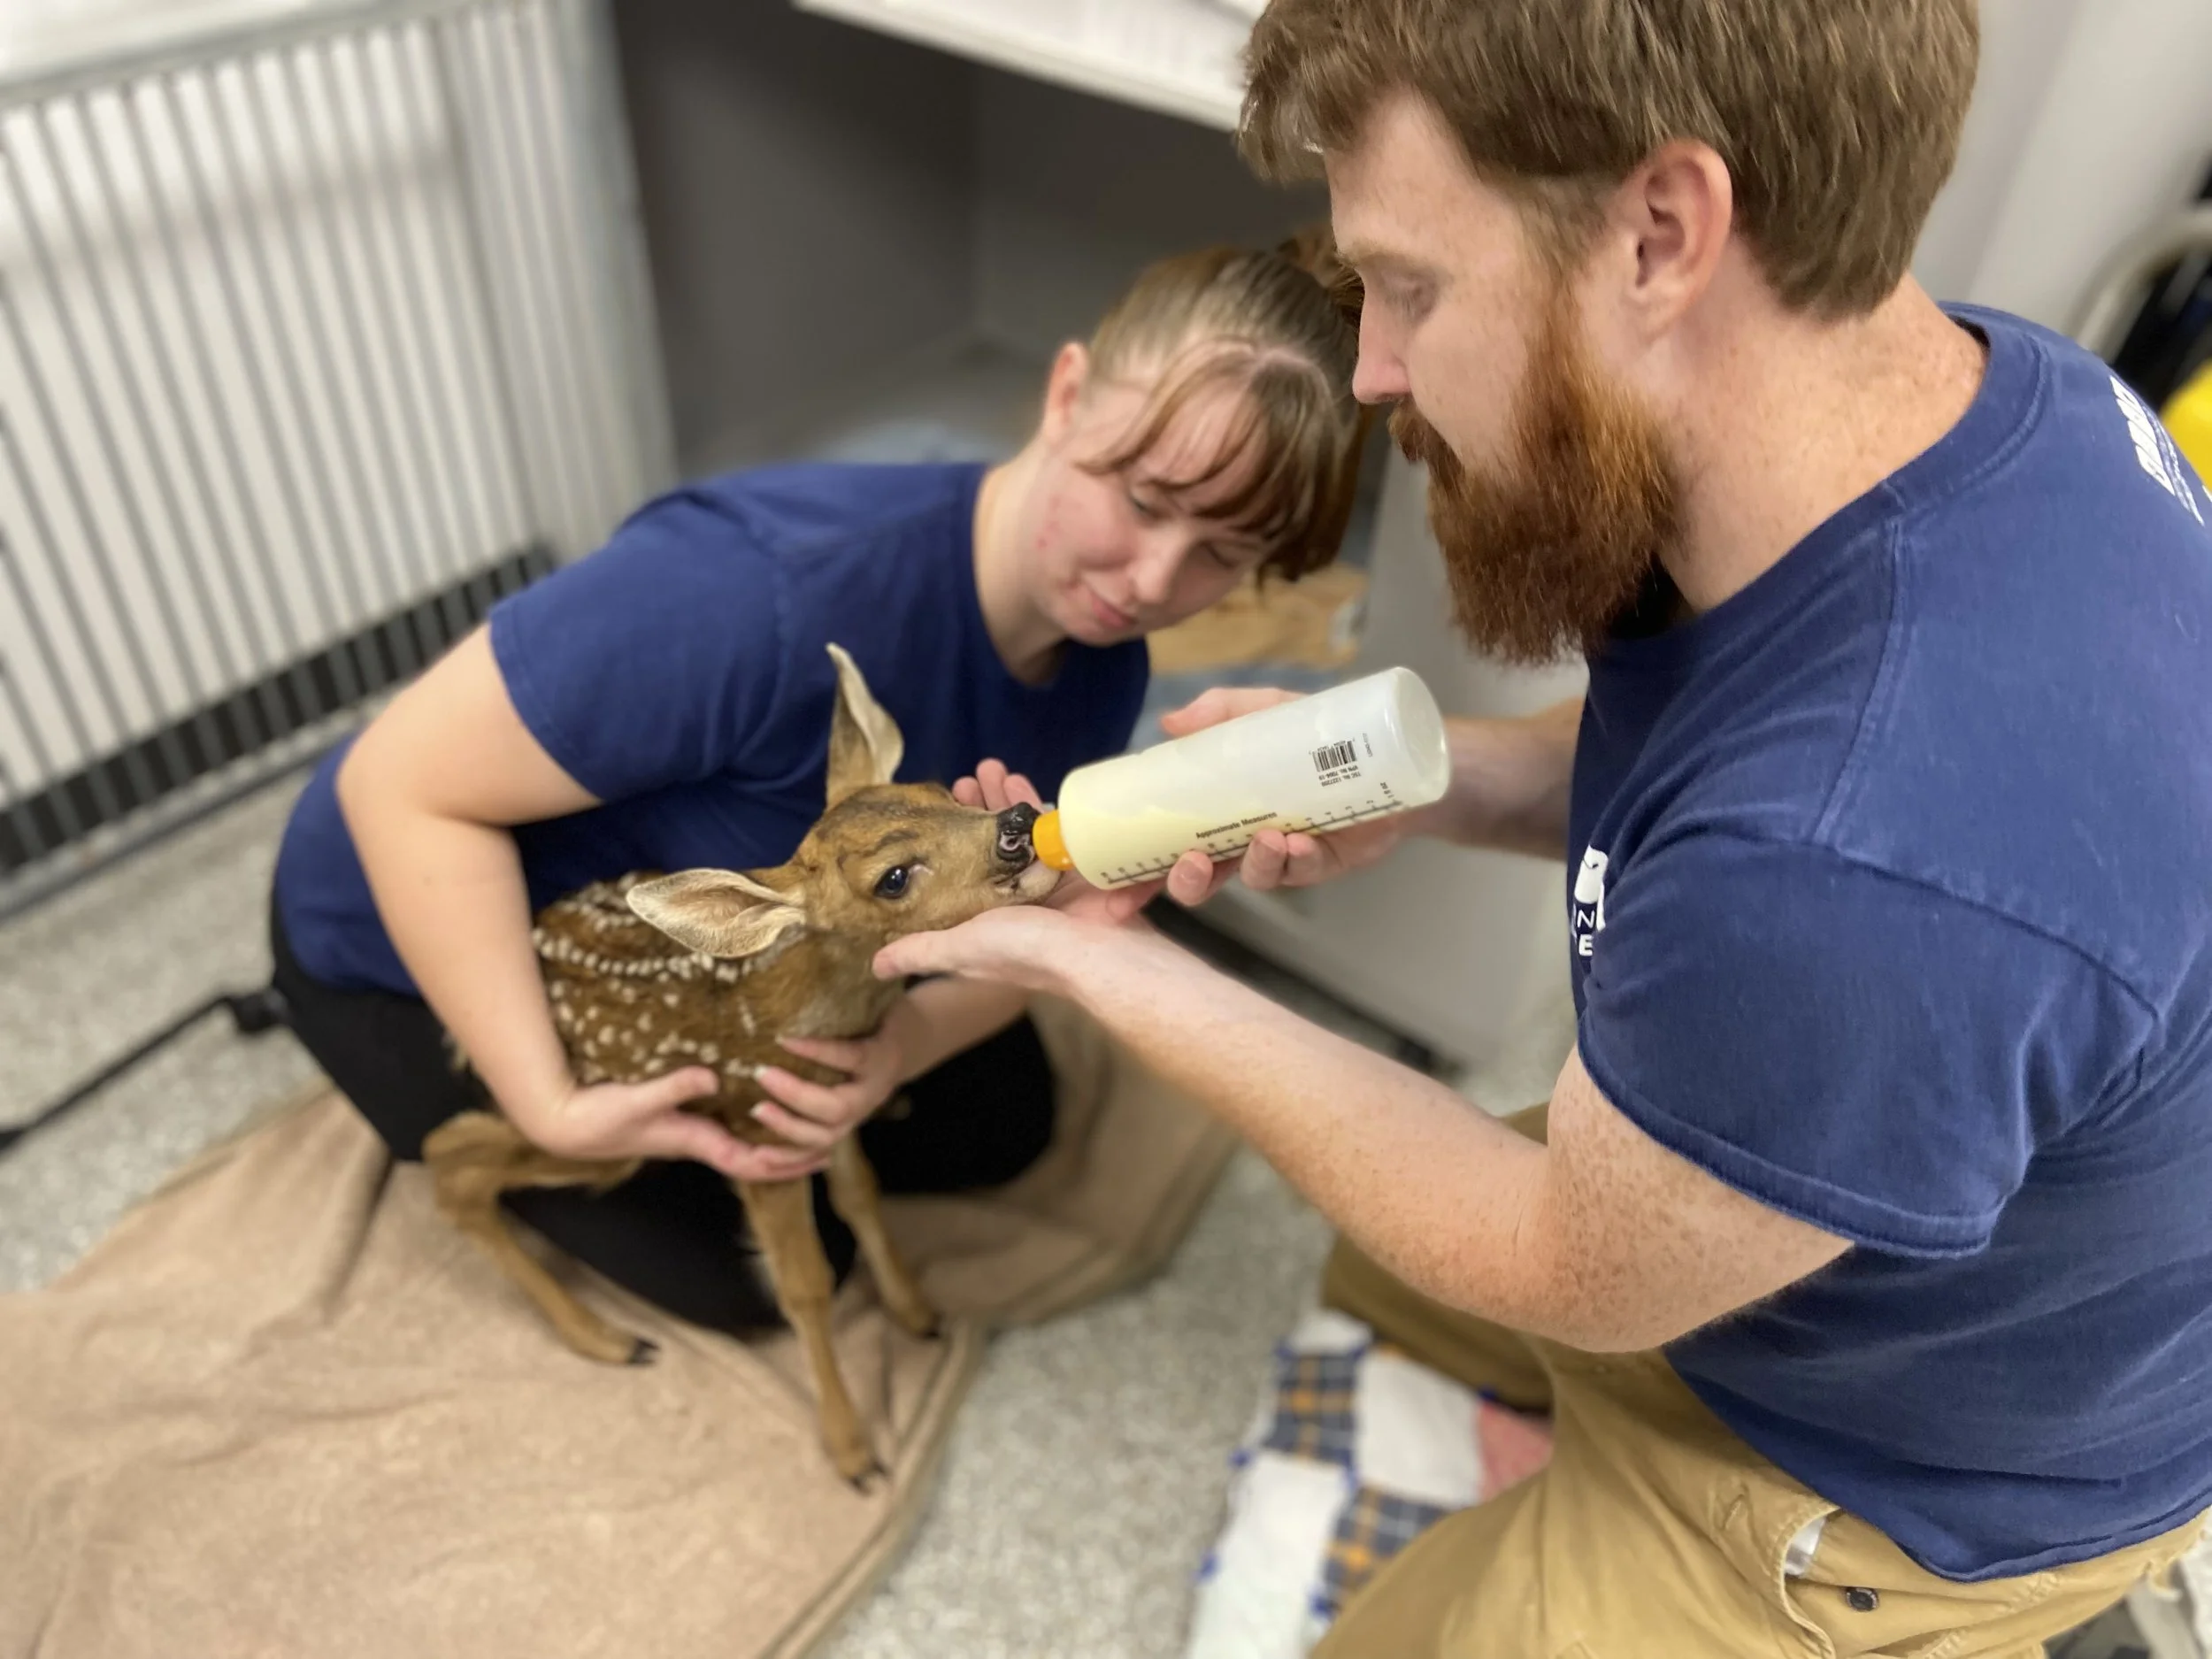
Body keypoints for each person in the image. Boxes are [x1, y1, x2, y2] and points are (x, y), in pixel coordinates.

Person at [875, 2, 2212, 1652]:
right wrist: (1446, 781)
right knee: (1382, 1263)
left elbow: (1565, 1253)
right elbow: (1742, 749)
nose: (1371, 368)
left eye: (1410, 287)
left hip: (1883, 1480)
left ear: (1661, 234)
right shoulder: (1989, 401)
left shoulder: (1851, 862)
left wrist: (1113, 975)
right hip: (1848, 1187)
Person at [266, 234, 1363, 1333]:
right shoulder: (753, 596)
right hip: (405, 928)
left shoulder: (1102, 659)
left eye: (1224, 553)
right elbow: (398, 785)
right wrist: (546, 1102)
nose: (1156, 581)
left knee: (1007, 1123)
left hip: (749, 969)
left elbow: (1045, 904)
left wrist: (900, 1052)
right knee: (770, 1279)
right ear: (1067, 393)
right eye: (1145, 501)